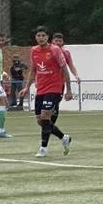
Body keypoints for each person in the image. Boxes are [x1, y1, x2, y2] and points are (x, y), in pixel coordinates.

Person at [20, 26, 73, 158]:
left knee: (45, 116)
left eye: (43, 35)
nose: (41, 38)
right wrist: (27, 87)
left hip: (54, 88)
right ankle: (63, 137)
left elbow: (65, 69)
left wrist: (68, 89)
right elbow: (33, 70)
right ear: (35, 37)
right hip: (41, 89)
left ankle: (43, 148)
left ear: (47, 37)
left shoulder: (55, 50)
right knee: (41, 121)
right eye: (38, 36)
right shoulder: (34, 51)